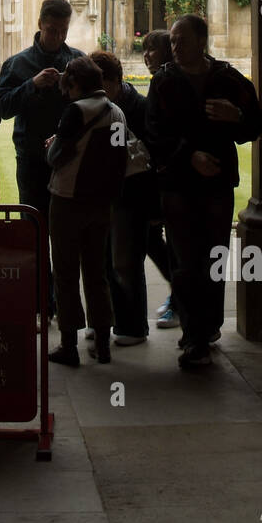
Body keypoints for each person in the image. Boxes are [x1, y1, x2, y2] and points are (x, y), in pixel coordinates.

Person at [144, 14, 262, 369]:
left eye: (182, 40)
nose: (175, 46)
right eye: (173, 40)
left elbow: (255, 125)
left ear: (202, 41)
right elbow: (153, 136)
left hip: (216, 183)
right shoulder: (164, 82)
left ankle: (206, 327)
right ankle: (195, 335)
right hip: (179, 184)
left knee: (213, 258)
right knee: (184, 261)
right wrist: (188, 156)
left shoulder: (228, 79)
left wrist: (236, 117)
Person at [0, 0, 84, 316]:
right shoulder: (18, 65)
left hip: (69, 162)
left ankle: (64, 303)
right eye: (52, 30)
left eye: (63, 31)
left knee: (66, 238)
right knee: (34, 233)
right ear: (39, 24)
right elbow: (3, 108)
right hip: (32, 159)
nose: (58, 37)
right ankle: (41, 304)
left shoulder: (77, 61)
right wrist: (32, 85)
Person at [45, 56, 127, 366]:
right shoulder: (117, 112)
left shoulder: (76, 111)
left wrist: (52, 146)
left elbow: (54, 158)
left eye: (68, 85)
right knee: (96, 274)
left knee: (65, 274)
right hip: (101, 203)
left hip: (68, 199)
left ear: (76, 83)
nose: (66, 92)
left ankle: (69, 345)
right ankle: (103, 344)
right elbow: (117, 157)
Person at [90, 50, 158, 347]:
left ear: (115, 81)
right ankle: (105, 320)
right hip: (102, 194)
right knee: (101, 261)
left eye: (101, 84)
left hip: (131, 195)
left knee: (126, 262)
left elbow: (151, 154)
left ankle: (132, 327)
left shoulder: (139, 107)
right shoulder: (96, 107)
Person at [142, 29, 178, 329]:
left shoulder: (169, 81)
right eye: (144, 49)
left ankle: (181, 304)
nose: (146, 55)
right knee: (155, 239)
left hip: (173, 178)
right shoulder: (161, 81)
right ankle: (180, 300)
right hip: (160, 176)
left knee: (173, 243)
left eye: (152, 49)